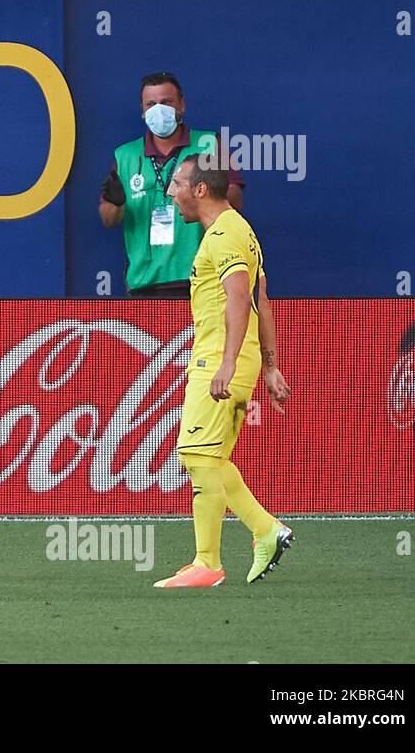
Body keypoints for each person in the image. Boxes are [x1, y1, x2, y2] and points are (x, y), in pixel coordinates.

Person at [153, 154, 293, 588]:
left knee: (196, 455)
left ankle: (208, 562)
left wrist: (230, 363)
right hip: (231, 354)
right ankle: (265, 531)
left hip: (220, 356)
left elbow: (239, 299)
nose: (170, 192)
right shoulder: (237, 231)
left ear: (200, 190)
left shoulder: (225, 234)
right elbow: (261, 301)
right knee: (209, 456)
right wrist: (269, 365)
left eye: (176, 184)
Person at [99, 72, 244, 298]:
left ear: (182, 105)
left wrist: (203, 191)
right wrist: (116, 204)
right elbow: (108, 220)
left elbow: (234, 202)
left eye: (167, 102)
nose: (159, 110)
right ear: (143, 111)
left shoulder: (208, 143)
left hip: (202, 278)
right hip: (145, 282)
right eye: (151, 104)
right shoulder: (125, 155)